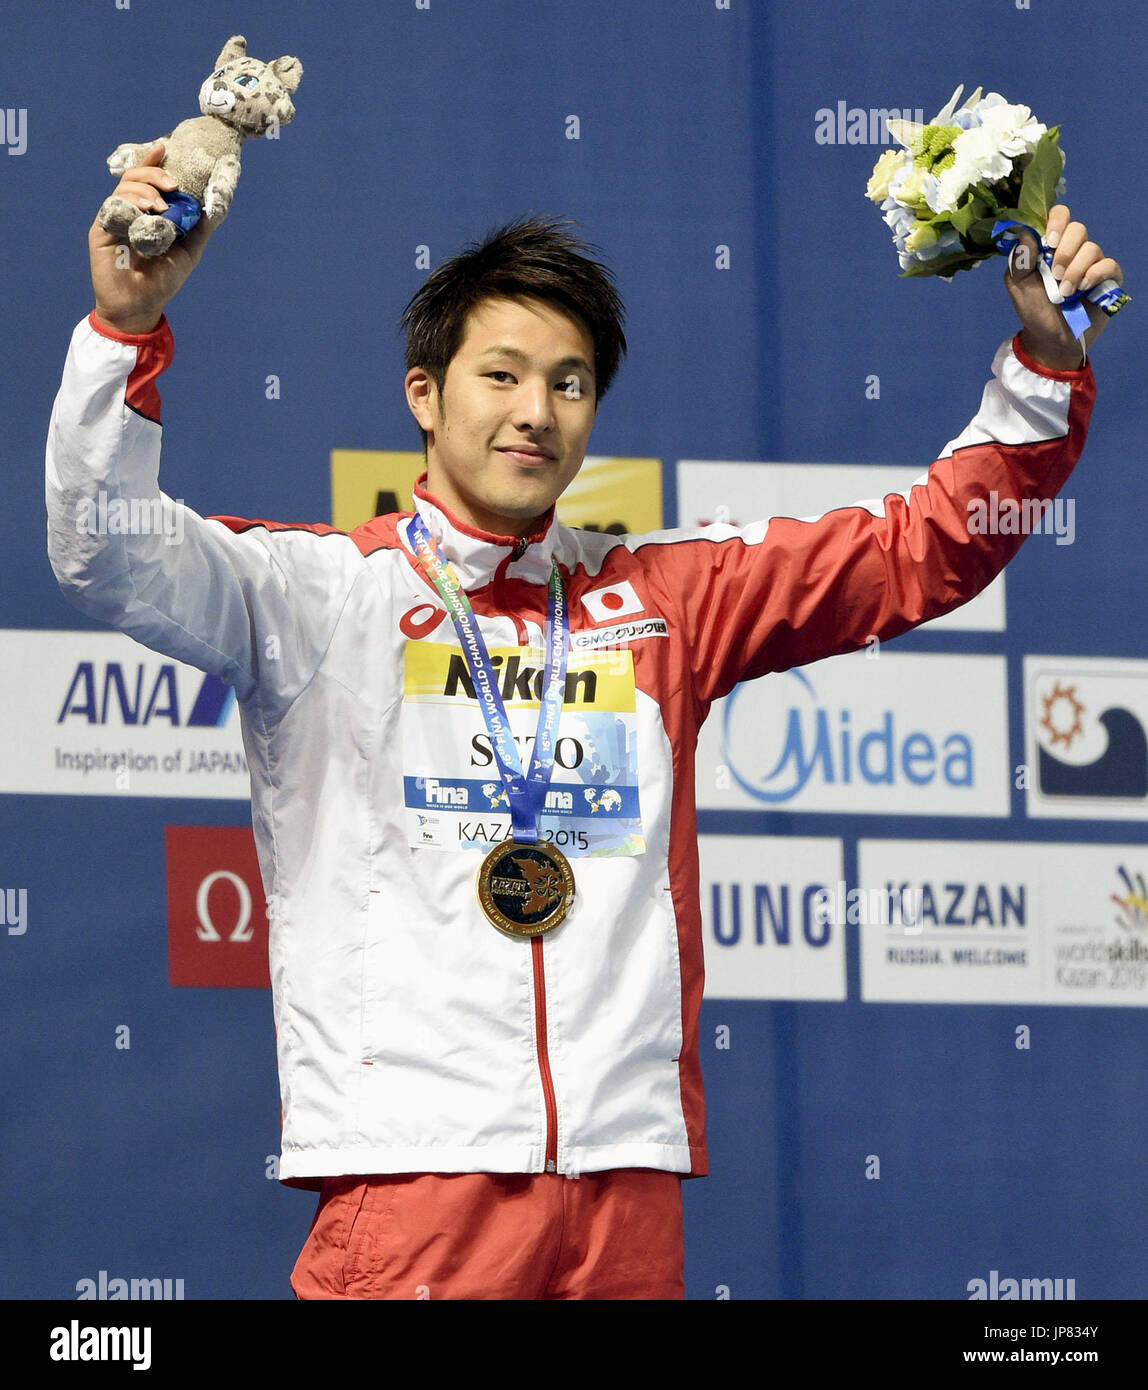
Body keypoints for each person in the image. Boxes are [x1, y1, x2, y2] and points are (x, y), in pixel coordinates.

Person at [47, 142, 1122, 1300]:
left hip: (624, 1185)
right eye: (500, 376)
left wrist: (1041, 364)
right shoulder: (314, 595)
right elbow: (104, 550)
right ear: (424, 392)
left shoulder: (663, 597)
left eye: (568, 384)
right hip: (417, 1183)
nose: (534, 413)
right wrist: (123, 331)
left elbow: (923, 548)